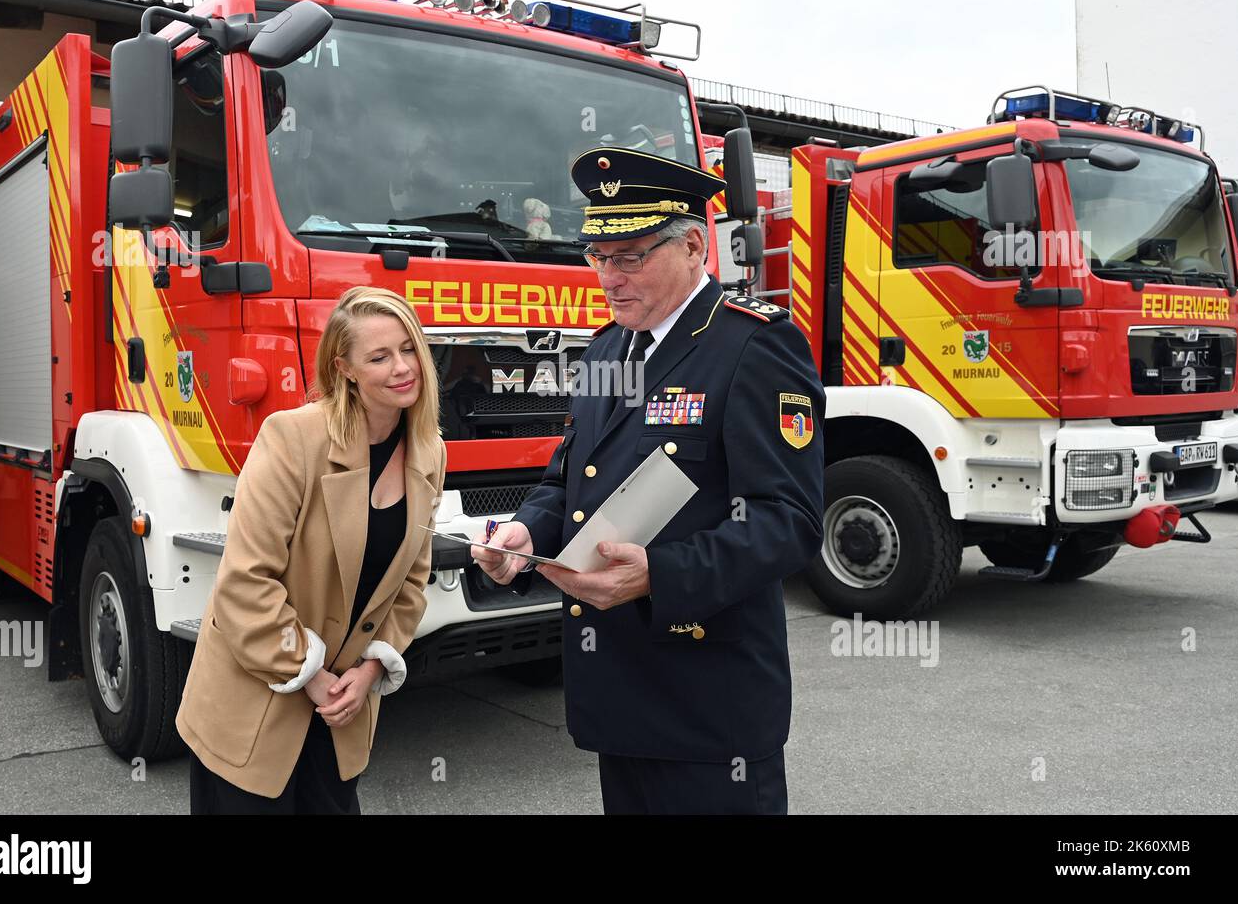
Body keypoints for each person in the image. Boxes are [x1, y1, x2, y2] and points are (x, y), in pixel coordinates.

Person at [473, 147, 825, 814]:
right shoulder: (608, 347)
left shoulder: (754, 346)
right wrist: (525, 530)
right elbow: (571, 476)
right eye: (597, 256)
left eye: (630, 256)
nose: (609, 276)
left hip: (709, 710)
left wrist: (659, 573)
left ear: (694, 245)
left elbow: (789, 520)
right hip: (619, 698)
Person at [176, 286, 445, 813]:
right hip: (254, 705)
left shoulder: (430, 450)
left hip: (341, 712)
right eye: (379, 356)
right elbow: (245, 583)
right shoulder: (292, 438)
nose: (402, 367)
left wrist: (369, 672)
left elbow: (412, 583)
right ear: (344, 368)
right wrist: (312, 676)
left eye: (408, 348)